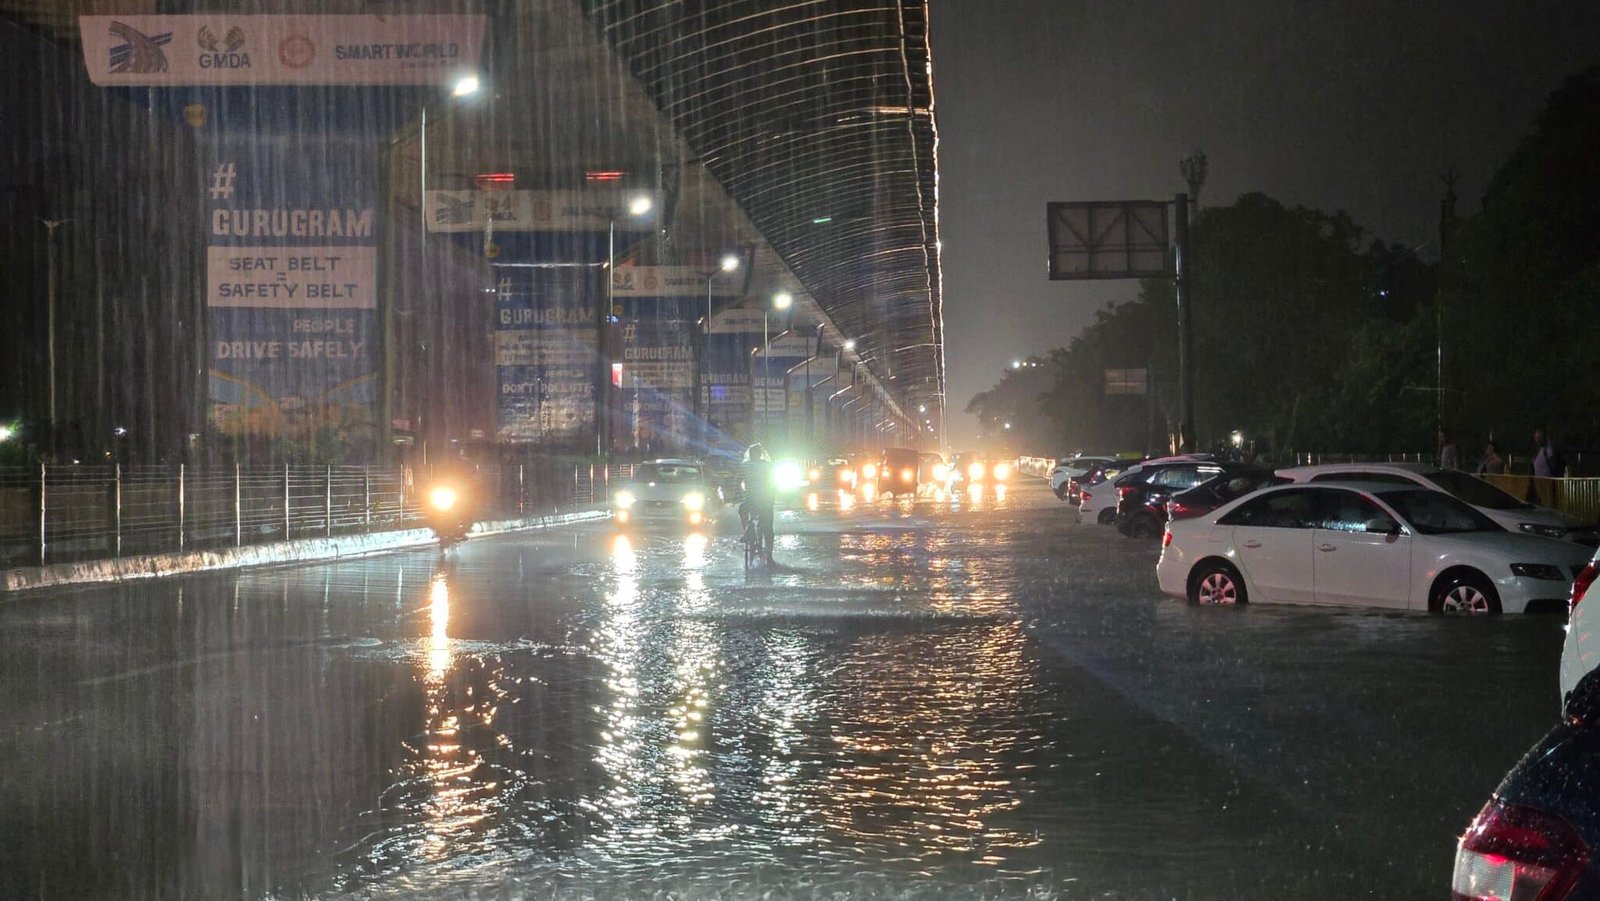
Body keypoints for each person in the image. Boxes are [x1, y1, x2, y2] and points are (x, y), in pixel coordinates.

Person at [739, 442, 777, 564]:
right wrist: (772, 498)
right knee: (768, 529)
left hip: (750, 500)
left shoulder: (745, 465)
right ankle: (769, 556)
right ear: (761, 454)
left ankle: (748, 531)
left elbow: (737, 481)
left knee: (742, 511)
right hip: (765, 500)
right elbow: (773, 483)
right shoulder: (767, 465)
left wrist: (737, 495)